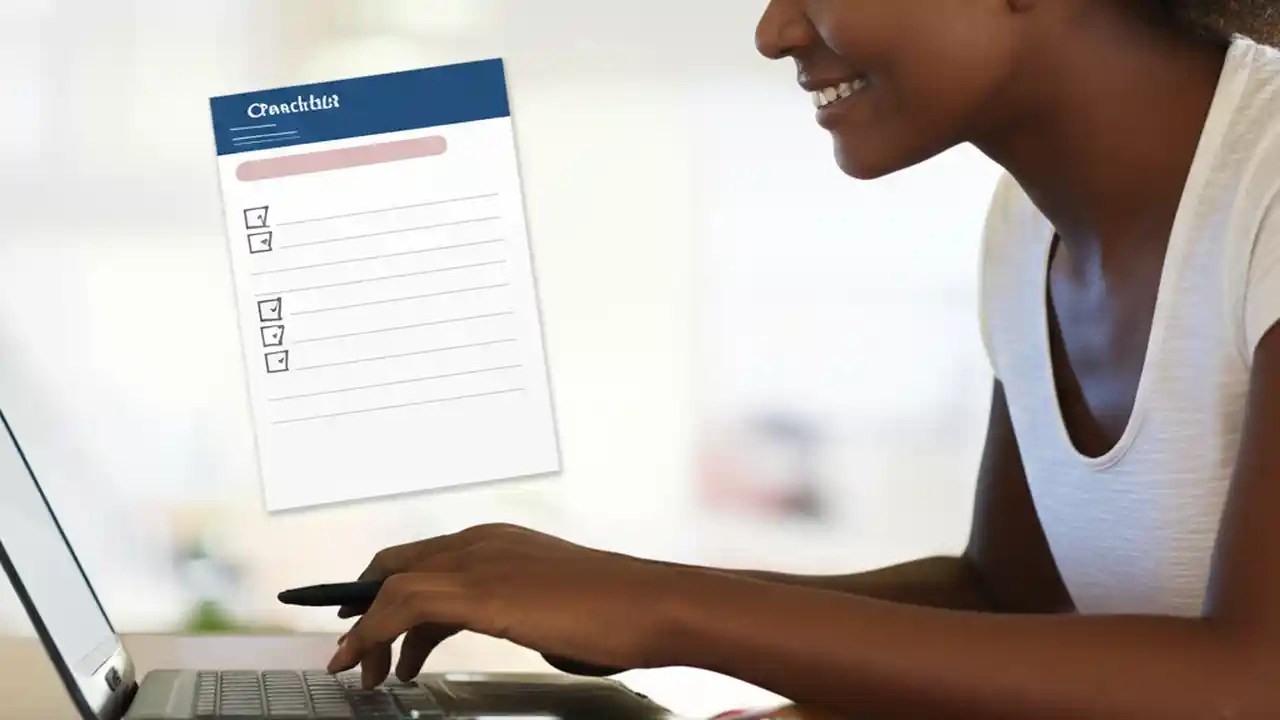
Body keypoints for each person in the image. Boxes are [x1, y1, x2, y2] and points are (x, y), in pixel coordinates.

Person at [327, 2, 1280, 717]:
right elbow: (1013, 608)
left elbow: (1251, 684)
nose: (775, 29)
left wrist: (666, 609)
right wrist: (601, 591)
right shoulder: (1026, 229)